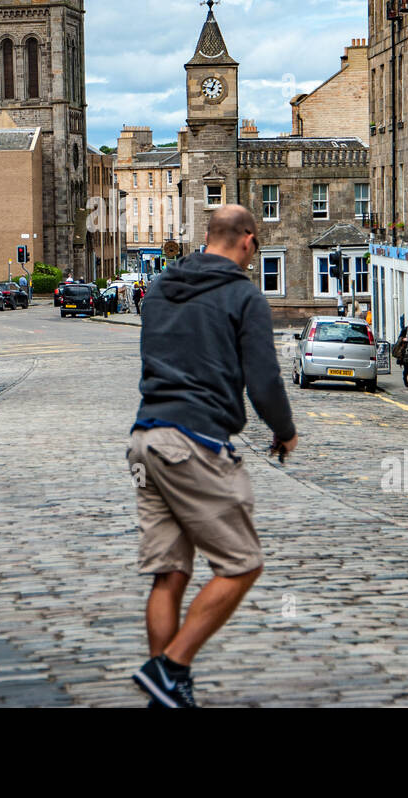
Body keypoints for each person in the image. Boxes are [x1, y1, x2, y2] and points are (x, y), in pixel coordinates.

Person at [127, 204, 298, 708]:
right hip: (194, 442)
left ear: (207, 237)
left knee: (170, 572)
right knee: (242, 564)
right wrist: (284, 432)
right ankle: (172, 665)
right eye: (255, 245)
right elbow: (263, 378)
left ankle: (167, 694)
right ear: (247, 241)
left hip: (145, 439)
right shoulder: (244, 295)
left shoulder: (160, 287)